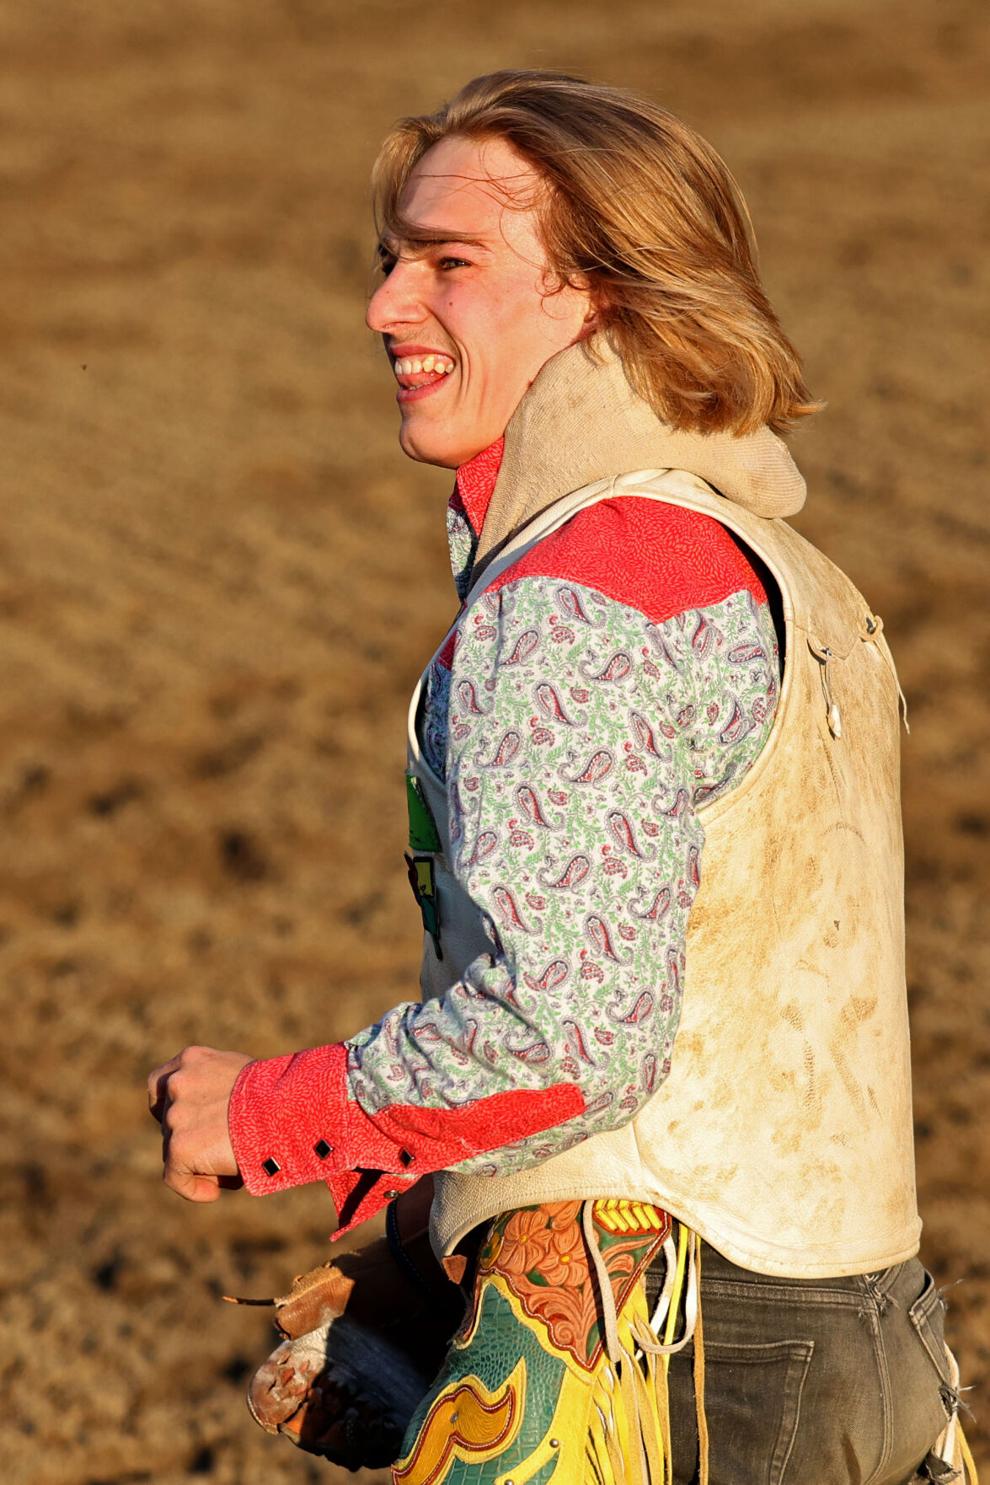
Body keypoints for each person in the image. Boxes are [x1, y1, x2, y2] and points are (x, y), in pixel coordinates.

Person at [148, 71, 975, 1484]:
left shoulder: (579, 593)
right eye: (389, 258)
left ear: (597, 297)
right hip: (867, 1334)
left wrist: (271, 1110)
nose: (385, 307)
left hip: (665, 1363)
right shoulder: (779, 568)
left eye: (448, 265)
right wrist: (426, 1217)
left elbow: (567, 1038)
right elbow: (705, 996)